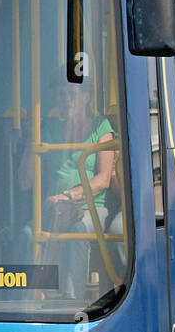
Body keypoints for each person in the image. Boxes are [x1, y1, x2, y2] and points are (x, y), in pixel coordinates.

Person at [19, 83, 119, 298]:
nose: (65, 100)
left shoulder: (100, 128)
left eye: (70, 95)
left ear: (86, 97)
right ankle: (30, 298)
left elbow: (103, 180)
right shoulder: (49, 130)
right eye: (60, 95)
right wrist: (31, 139)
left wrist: (69, 195)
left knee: (78, 231)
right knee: (28, 234)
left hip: (93, 206)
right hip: (56, 207)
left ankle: (73, 301)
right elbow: (24, 182)